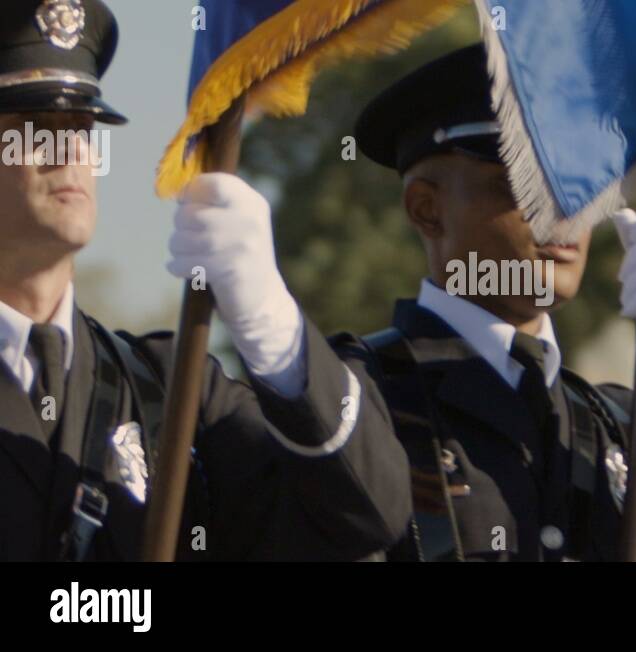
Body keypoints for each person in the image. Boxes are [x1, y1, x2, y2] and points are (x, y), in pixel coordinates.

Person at [0, 0, 410, 561]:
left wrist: (273, 329)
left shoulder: (169, 392)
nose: (71, 149)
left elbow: (368, 515)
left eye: (83, 126)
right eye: (36, 127)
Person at [335, 42, 636, 561]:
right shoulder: (355, 398)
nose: (565, 213)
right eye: (528, 184)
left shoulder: (625, 426)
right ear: (426, 209)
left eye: (582, 184)